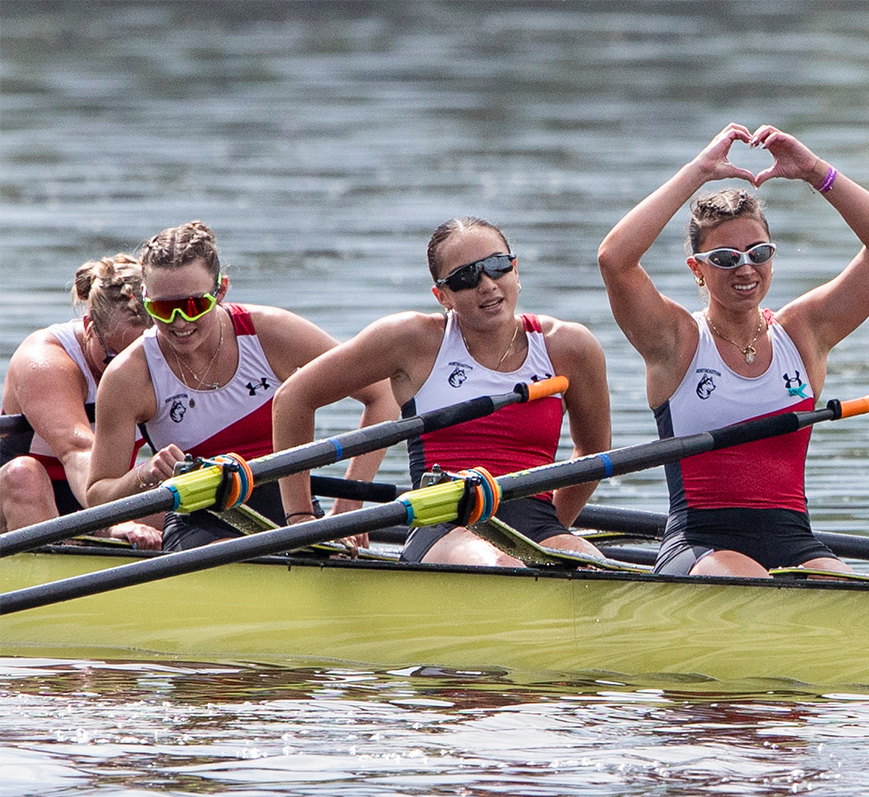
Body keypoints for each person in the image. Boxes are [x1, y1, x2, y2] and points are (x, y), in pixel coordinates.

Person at [597, 123, 869, 577]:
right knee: (748, 581)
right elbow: (615, 258)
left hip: (795, 539)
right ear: (698, 269)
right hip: (699, 545)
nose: (745, 268)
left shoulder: (803, 334)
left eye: (758, 253)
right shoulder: (676, 341)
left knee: (846, 587)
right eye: (726, 258)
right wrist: (698, 171)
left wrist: (814, 172)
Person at [271, 216, 612, 566]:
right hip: (441, 522)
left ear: (515, 270)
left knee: (599, 570)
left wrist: (555, 525)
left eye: (497, 266)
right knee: (502, 566)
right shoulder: (411, 340)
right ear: (442, 296)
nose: (487, 284)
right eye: (465, 277)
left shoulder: (569, 346)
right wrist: (302, 521)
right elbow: (293, 398)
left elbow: (593, 450)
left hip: (535, 522)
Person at [86, 221, 398, 551]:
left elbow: (382, 394)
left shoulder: (271, 334)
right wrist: (145, 473)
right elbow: (97, 495)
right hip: (200, 523)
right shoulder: (129, 376)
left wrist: (347, 508)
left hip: (293, 512)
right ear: (146, 300)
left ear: (221, 291)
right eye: (163, 308)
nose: (179, 322)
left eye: (194, 305)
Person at [0, 254, 161, 547]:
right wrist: (116, 522)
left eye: (143, 356)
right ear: (89, 327)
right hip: (22, 499)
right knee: (25, 475)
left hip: (96, 501)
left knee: (177, 494)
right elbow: (77, 451)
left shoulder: (169, 352)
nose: (124, 369)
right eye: (113, 355)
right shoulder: (44, 359)